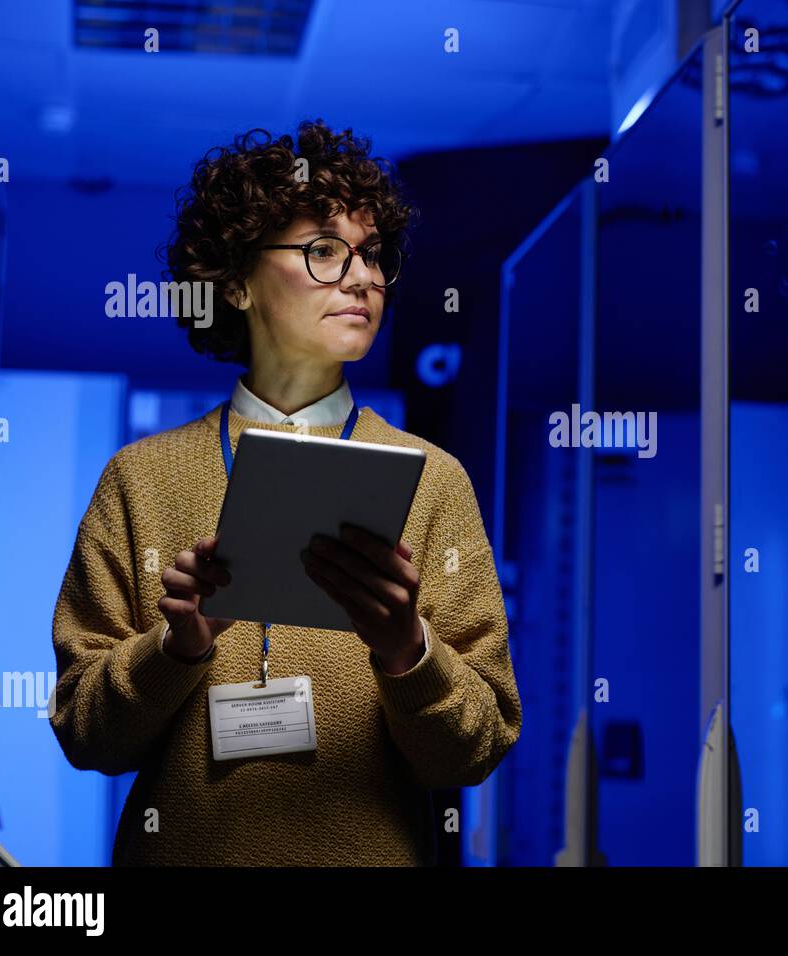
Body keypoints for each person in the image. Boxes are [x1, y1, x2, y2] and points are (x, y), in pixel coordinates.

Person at [48, 120, 522, 866]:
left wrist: (409, 650)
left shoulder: (434, 478)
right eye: (324, 251)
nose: (363, 278)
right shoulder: (140, 479)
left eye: (372, 255)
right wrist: (175, 649)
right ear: (235, 279)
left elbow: (476, 751)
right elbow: (85, 734)